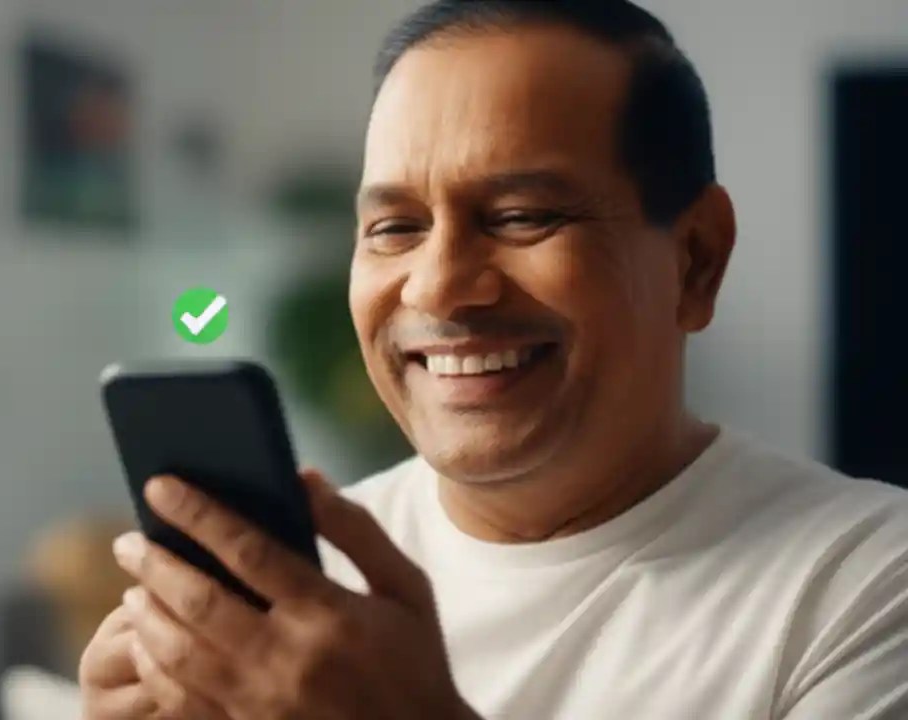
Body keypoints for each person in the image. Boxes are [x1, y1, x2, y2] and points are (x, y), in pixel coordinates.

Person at [79, 2, 908, 718]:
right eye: (395, 228)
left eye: (521, 216)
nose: (438, 287)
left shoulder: (866, 586)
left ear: (695, 260)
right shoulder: (298, 595)